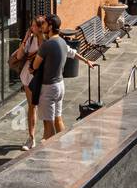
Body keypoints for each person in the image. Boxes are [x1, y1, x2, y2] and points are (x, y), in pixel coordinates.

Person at [28, 14, 94, 144]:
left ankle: (49, 152)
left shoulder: (47, 45)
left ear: (51, 26)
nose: (43, 27)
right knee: (58, 119)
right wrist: (87, 61)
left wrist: (33, 66)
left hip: (48, 89)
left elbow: (35, 66)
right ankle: (64, 146)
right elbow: (73, 53)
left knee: (48, 124)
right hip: (60, 86)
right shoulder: (63, 42)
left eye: (45, 24)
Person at [9, 16, 45, 150]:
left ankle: (49, 136)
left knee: (46, 107)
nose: (31, 28)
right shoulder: (30, 39)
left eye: (34, 26)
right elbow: (18, 57)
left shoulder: (47, 40)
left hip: (43, 76)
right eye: (31, 25)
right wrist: (25, 39)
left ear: (41, 28)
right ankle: (31, 138)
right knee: (32, 106)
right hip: (28, 75)